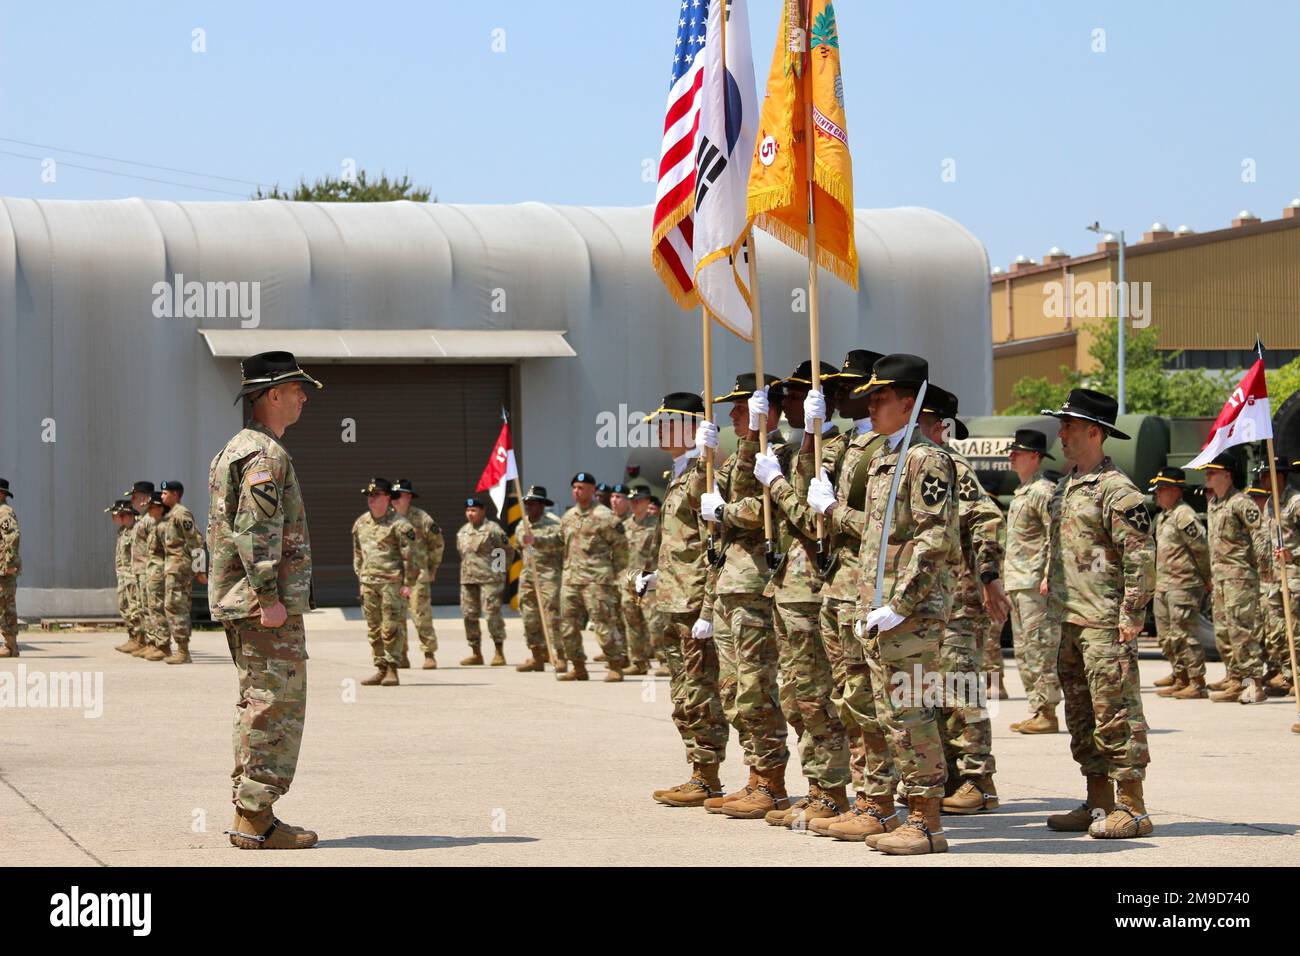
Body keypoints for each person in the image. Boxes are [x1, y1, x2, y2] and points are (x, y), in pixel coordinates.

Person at [812, 354, 962, 855]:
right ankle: (887, 809)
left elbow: (933, 538)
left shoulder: (925, 459)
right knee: (889, 715)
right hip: (879, 611)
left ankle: (926, 823)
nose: (871, 405)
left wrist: (901, 602)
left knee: (912, 713)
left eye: (881, 397)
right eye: (871, 397)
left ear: (909, 402)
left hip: (911, 613)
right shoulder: (885, 458)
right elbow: (877, 539)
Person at [208, 350, 320, 849]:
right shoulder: (264, 456)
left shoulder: (237, 449)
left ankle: (250, 810)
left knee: (258, 702)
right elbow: (255, 531)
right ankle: (255, 817)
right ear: (272, 395)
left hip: (245, 602)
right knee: (276, 704)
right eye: (297, 389)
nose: (303, 398)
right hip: (262, 606)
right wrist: (268, 596)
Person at [1041, 388, 1155, 839]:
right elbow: (1061, 545)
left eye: (1068, 425)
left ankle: (1133, 808)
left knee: (1116, 713)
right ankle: (1099, 801)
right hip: (1069, 620)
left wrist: (1131, 614)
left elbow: (1140, 557)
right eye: (1061, 425)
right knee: (1082, 717)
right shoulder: (1066, 485)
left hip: (1105, 623)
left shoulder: (1117, 490)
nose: (1061, 433)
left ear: (1094, 432)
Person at [752, 357, 855, 830]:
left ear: (821, 401)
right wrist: (759, 433)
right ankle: (817, 787)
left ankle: (832, 792)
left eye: (794, 396)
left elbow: (810, 519)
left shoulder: (836, 449)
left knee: (818, 698)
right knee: (796, 698)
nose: (787, 404)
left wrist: (776, 483)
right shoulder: (794, 447)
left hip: (814, 588)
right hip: (788, 587)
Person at [698, 372, 791, 820]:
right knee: (734, 689)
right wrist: (703, 455)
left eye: (742, 408)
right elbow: (707, 499)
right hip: (728, 583)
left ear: (767, 411)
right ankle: (755, 775)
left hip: (756, 583)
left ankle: (772, 783)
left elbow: (765, 507)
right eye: (734, 409)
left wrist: (727, 510)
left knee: (757, 688)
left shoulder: (781, 452)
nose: (734, 414)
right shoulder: (738, 455)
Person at [917, 386, 1008, 816]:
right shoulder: (916, 464)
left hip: (959, 597)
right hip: (929, 600)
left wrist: (988, 576)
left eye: (921, 421)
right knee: (931, 691)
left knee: (961, 686)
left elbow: (986, 519)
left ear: (939, 426)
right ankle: (952, 776)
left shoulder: (953, 466)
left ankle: (978, 780)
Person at [642, 394, 729, 806]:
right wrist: (656, 577)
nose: (659, 431)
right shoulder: (678, 473)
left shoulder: (703, 473)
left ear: (691, 426)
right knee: (682, 695)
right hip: (673, 600)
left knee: (700, 693)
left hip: (694, 602)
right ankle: (698, 771)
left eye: (667, 422)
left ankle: (707, 775)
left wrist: (709, 609)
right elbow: (682, 544)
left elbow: (715, 547)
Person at [1003, 429, 1063, 730]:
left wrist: (1048, 575)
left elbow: (1056, 535)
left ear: (1035, 457)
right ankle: (1038, 709)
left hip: (1034, 583)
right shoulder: (1023, 492)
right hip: (1018, 582)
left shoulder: (1042, 492)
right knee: (1025, 649)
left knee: (1040, 648)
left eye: (1019, 452)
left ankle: (1047, 711)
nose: (1012, 456)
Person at [1197, 453, 1268, 704]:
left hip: (1240, 579)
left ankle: (1253, 685)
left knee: (1242, 633)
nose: (1207, 476)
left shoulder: (1241, 502)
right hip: (1221, 579)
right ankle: (1236, 679)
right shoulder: (1215, 503)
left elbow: (1260, 534)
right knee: (1224, 633)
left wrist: (1264, 567)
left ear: (1227, 474)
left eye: (1212, 472)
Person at [557, 473, 629, 681]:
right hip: (571, 580)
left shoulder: (605, 517)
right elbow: (562, 543)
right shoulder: (568, 517)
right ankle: (578, 666)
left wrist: (616, 576)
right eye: (574, 487)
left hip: (597, 581)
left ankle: (615, 665)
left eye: (581, 488)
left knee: (603, 624)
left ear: (592, 490)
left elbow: (621, 548)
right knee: (567, 626)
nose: (577, 491)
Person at [1149, 467, 1211, 699]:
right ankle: (1180, 675)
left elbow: (1201, 549)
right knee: (1167, 635)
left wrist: (1207, 578)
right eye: (1157, 489)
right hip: (1164, 584)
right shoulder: (1164, 516)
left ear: (1176, 490)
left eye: (1162, 489)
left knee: (1185, 634)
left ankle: (1197, 682)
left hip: (1183, 584)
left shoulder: (1184, 515)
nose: (1158, 494)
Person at [353, 478, 418, 686]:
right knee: (374, 628)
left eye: (376, 495)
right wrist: (361, 580)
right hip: (368, 583)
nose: (371, 499)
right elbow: (358, 554)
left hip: (392, 583)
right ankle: (380, 667)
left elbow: (411, 557)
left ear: (388, 497)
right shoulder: (361, 523)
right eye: (369, 495)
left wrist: (408, 584)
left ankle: (392, 669)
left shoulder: (400, 525)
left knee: (391, 627)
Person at [1252, 458, 1297, 697]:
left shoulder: (1295, 502)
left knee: (1295, 631)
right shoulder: (1270, 503)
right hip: (1275, 579)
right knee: (1278, 631)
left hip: (1294, 577)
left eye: (1265, 475)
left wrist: (1295, 554)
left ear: (1279, 476)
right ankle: (1289, 675)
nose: (1261, 480)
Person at [391, 478, 445, 670]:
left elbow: (437, 543)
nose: (394, 499)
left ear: (408, 497)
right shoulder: (387, 519)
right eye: (392, 496)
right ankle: (401, 655)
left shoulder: (422, 518)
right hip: (394, 575)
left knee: (421, 615)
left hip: (418, 575)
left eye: (398, 496)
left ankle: (429, 654)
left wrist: (433, 568)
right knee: (396, 617)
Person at [515, 485, 565, 673]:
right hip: (528, 576)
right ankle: (537, 656)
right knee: (529, 617)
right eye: (527, 503)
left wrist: (538, 541)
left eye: (534, 503)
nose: (529, 507)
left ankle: (560, 655)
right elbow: (519, 546)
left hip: (549, 576)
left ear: (542, 505)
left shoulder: (554, 524)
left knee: (553, 617)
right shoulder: (522, 524)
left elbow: (561, 544)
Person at [456, 497, 511, 666]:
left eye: (474, 510)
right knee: (469, 615)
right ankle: (476, 653)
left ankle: (499, 651)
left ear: (483, 511)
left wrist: (500, 572)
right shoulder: (463, 531)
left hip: (490, 579)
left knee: (491, 614)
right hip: (468, 579)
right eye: (468, 510)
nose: (470, 513)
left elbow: (506, 550)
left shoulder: (493, 529)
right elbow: (462, 553)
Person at [159, 480, 205, 665]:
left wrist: (199, 569)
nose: (162, 496)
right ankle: (180, 649)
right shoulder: (170, 514)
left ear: (175, 495)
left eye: (165, 493)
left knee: (176, 605)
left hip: (179, 567)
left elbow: (195, 541)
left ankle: (183, 650)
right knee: (172, 605)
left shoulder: (181, 514)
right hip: (172, 565)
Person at [621, 485, 661, 676]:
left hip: (649, 580)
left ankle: (664, 661)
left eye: (638, 500)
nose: (635, 504)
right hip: (629, 581)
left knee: (655, 623)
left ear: (647, 502)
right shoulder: (624, 526)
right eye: (632, 501)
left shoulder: (657, 526)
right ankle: (638, 662)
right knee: (632, 622)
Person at [108, 499, 146, 652]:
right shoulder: (122, 531)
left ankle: (140, 639)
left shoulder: (137, 529)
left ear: (126, 515)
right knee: (124, 607)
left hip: (133, 575)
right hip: (123, 575)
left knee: (135, 608)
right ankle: (132, 637)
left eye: (116, 515)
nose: (114, 518)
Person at [129, 481, 161, 659]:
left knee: (152, 608)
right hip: (140, 570)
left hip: (150, 570)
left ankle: (156, 643)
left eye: (134, 496)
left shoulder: (151, 519)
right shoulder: (142, 519)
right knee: (143, 608)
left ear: (144, 497)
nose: (132, 501)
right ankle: (148, 642)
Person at [140, 491, 172, 662]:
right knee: (152, 608)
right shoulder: (155, 526)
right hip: (152, 572)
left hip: (160, 572)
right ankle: (155, 643)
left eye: (152, 507)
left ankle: (163, 646)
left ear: (160, 508)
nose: (149, 510)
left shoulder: (164, 527)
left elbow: (171, 552)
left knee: (158, 608)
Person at [0, 478, 20, 658]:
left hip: (5, 569)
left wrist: (10, 564)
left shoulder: (4, 512)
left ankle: (11, 647)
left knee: (6, 606)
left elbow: (12, 538)